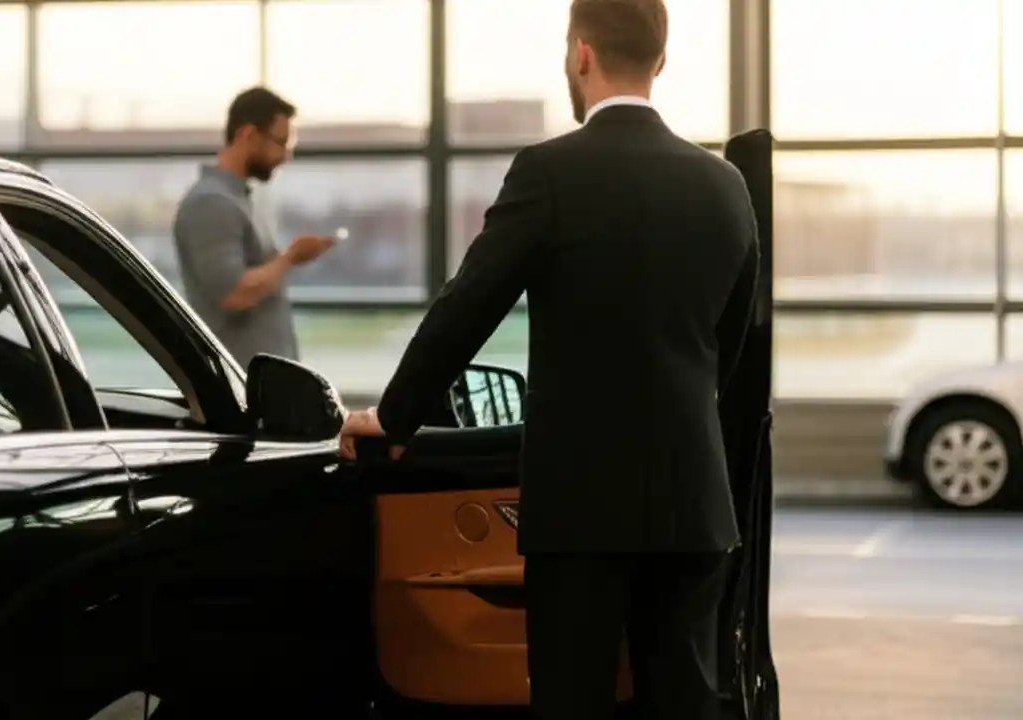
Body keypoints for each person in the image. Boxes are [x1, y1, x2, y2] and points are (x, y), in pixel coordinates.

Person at [338, 1, 760, 718]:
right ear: (660, 60)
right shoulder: (725, 184)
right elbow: (732, 343)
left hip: (581, 508)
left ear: (580, 53)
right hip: (694, 503)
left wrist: (397, 417)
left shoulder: (550, 171)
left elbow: (467, 307)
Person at [172, 87, 335, 368]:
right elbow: (234, 293)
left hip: (261, 378)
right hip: (240, 379)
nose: (285, 156)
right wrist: (290, 258)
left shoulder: (242, 200)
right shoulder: (211, 203)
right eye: (280, 142)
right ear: (247, 135)